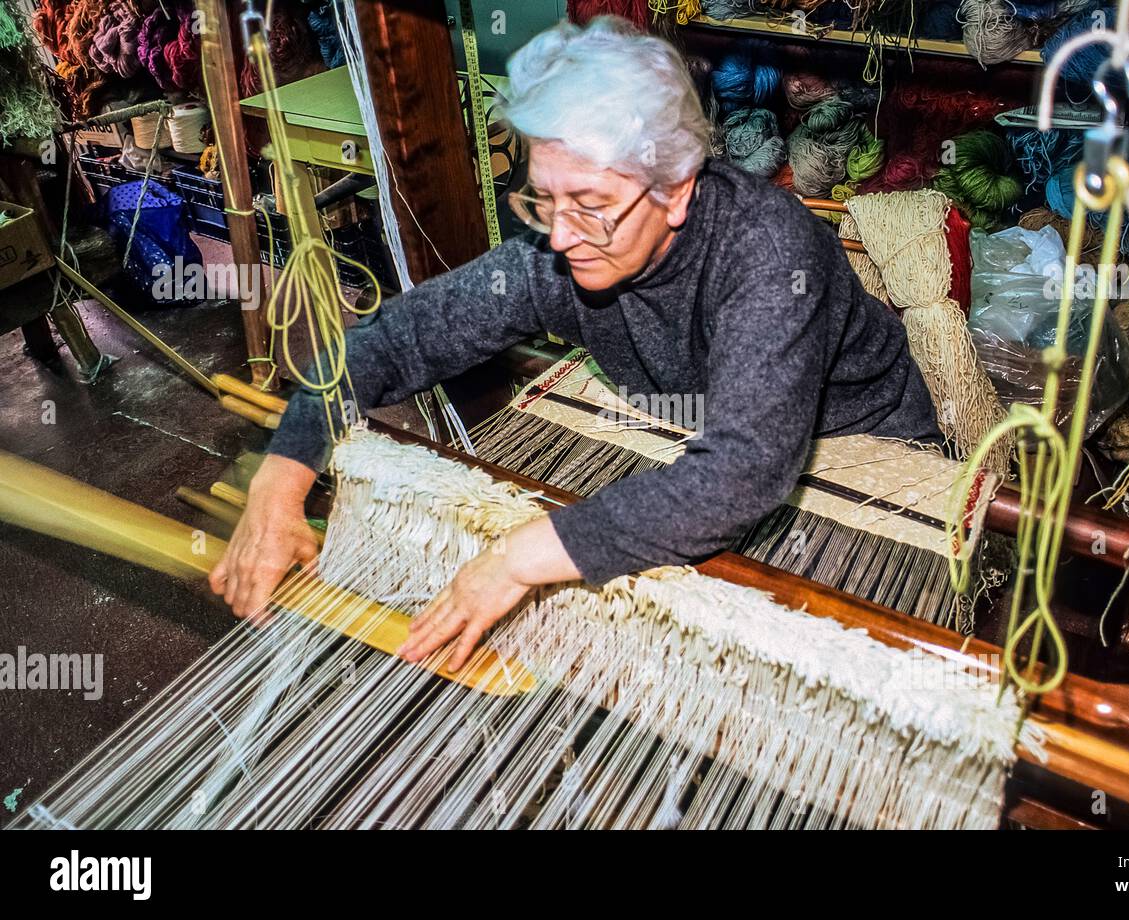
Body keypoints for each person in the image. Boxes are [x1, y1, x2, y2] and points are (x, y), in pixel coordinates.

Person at [209, 15, 940, 670]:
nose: (559, 234)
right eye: (544, 197)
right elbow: (393, 340)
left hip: (866, 464)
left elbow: (744, 471)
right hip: (695, 432)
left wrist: (515, 559)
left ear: (677, 188)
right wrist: (281, 479)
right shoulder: (558, 251)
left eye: (591, 205)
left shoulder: (770, 251)